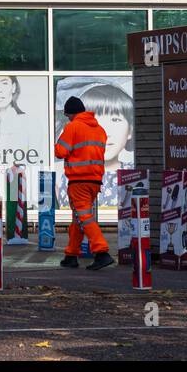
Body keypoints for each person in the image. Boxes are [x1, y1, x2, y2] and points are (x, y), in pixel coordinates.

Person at [55, 96, 114, 270]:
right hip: (95, 181)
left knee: (85, 217)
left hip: (78, 180)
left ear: (71, 114)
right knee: (78, 218)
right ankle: (71, 255)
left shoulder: (72, 127)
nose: (67, 119)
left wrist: (56, 145)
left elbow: (61, 152)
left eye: (67, 116)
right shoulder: (100, 130)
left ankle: (101, 252)